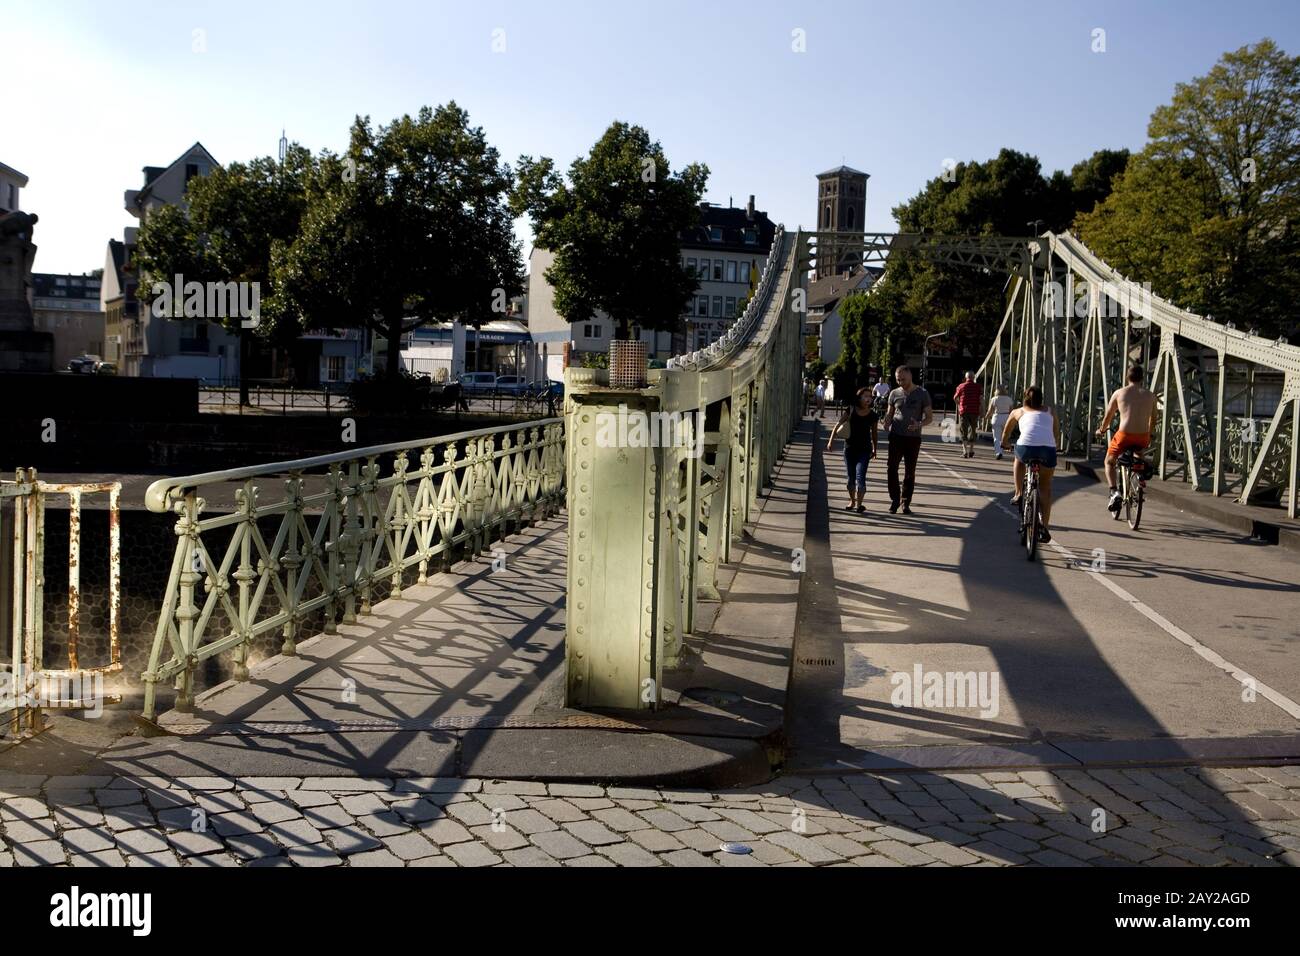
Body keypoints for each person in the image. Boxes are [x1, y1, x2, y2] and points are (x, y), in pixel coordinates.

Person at [1096, 365, 1159, 513]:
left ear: (1127, 377)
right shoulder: (1150, 396)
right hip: (1142, 436)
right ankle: (1139, 478)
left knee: (1109, 461)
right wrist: (1148, 434)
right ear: (1142, 378)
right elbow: (1154, 419)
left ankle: (1114, 492)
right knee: (1139, 454)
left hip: (1124, 435)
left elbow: (1108, 417)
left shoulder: (1119, 393)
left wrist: (1102, 430)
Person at [1001, 385, 1059, 543]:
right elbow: (1056, 433)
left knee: (1018, 460)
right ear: (1041, 399)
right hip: (1047, 450)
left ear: (1024, 398)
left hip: (1026, 448)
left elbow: (1006, 432)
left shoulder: (1018, 412)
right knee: (1045, 488)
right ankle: (1044, 528)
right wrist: (1057, 447)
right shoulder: (1050, 411)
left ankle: (1019, 493)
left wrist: (1004, 443)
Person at [882, 365, 933, 515]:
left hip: (913, 439)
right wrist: (886, 422)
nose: (900, 382)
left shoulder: (922, 393)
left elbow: (929, 418)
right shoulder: (894, 393)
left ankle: (905, 502)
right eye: (898, 379)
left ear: (910, 376)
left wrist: (920, 424)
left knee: (910, 472)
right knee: (892, 468)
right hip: (896, 436)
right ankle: (895, 500)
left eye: (903, 379)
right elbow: (890, 413)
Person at [826, 386, 879, 513]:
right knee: (851, 477)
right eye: (865, 396)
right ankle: (852, 500)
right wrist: (830, 441)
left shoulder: (873, 415)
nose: (868, 398)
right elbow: (838, 425)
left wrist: (874, 449)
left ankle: (859, 504)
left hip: (864, 450)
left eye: (870, 397)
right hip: (849, 449)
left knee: (861, 476)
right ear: (859, 398)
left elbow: (874, 434)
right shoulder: (850, 410)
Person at [953, 371, 983, 459]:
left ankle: (965, 451)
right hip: (974, 411)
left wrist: (959, 404)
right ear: (974, 378)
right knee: (973, 430)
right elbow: (981, 399)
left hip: (964, 411)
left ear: (966, 378)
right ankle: (971, 450)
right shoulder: (978, 387)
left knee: (963, 430)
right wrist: (982, 411)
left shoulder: (961, 386)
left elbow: (955, 397)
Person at [986, 384, 1014, 460]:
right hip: (1006, 418)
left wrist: (987, 417)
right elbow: (1012, 411)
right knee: (1004, 436)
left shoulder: (994, 399)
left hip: (997, 418)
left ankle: (999, 452)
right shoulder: (1009, 399)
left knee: (996, 437)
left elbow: (990, 411)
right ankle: (1003, 449)